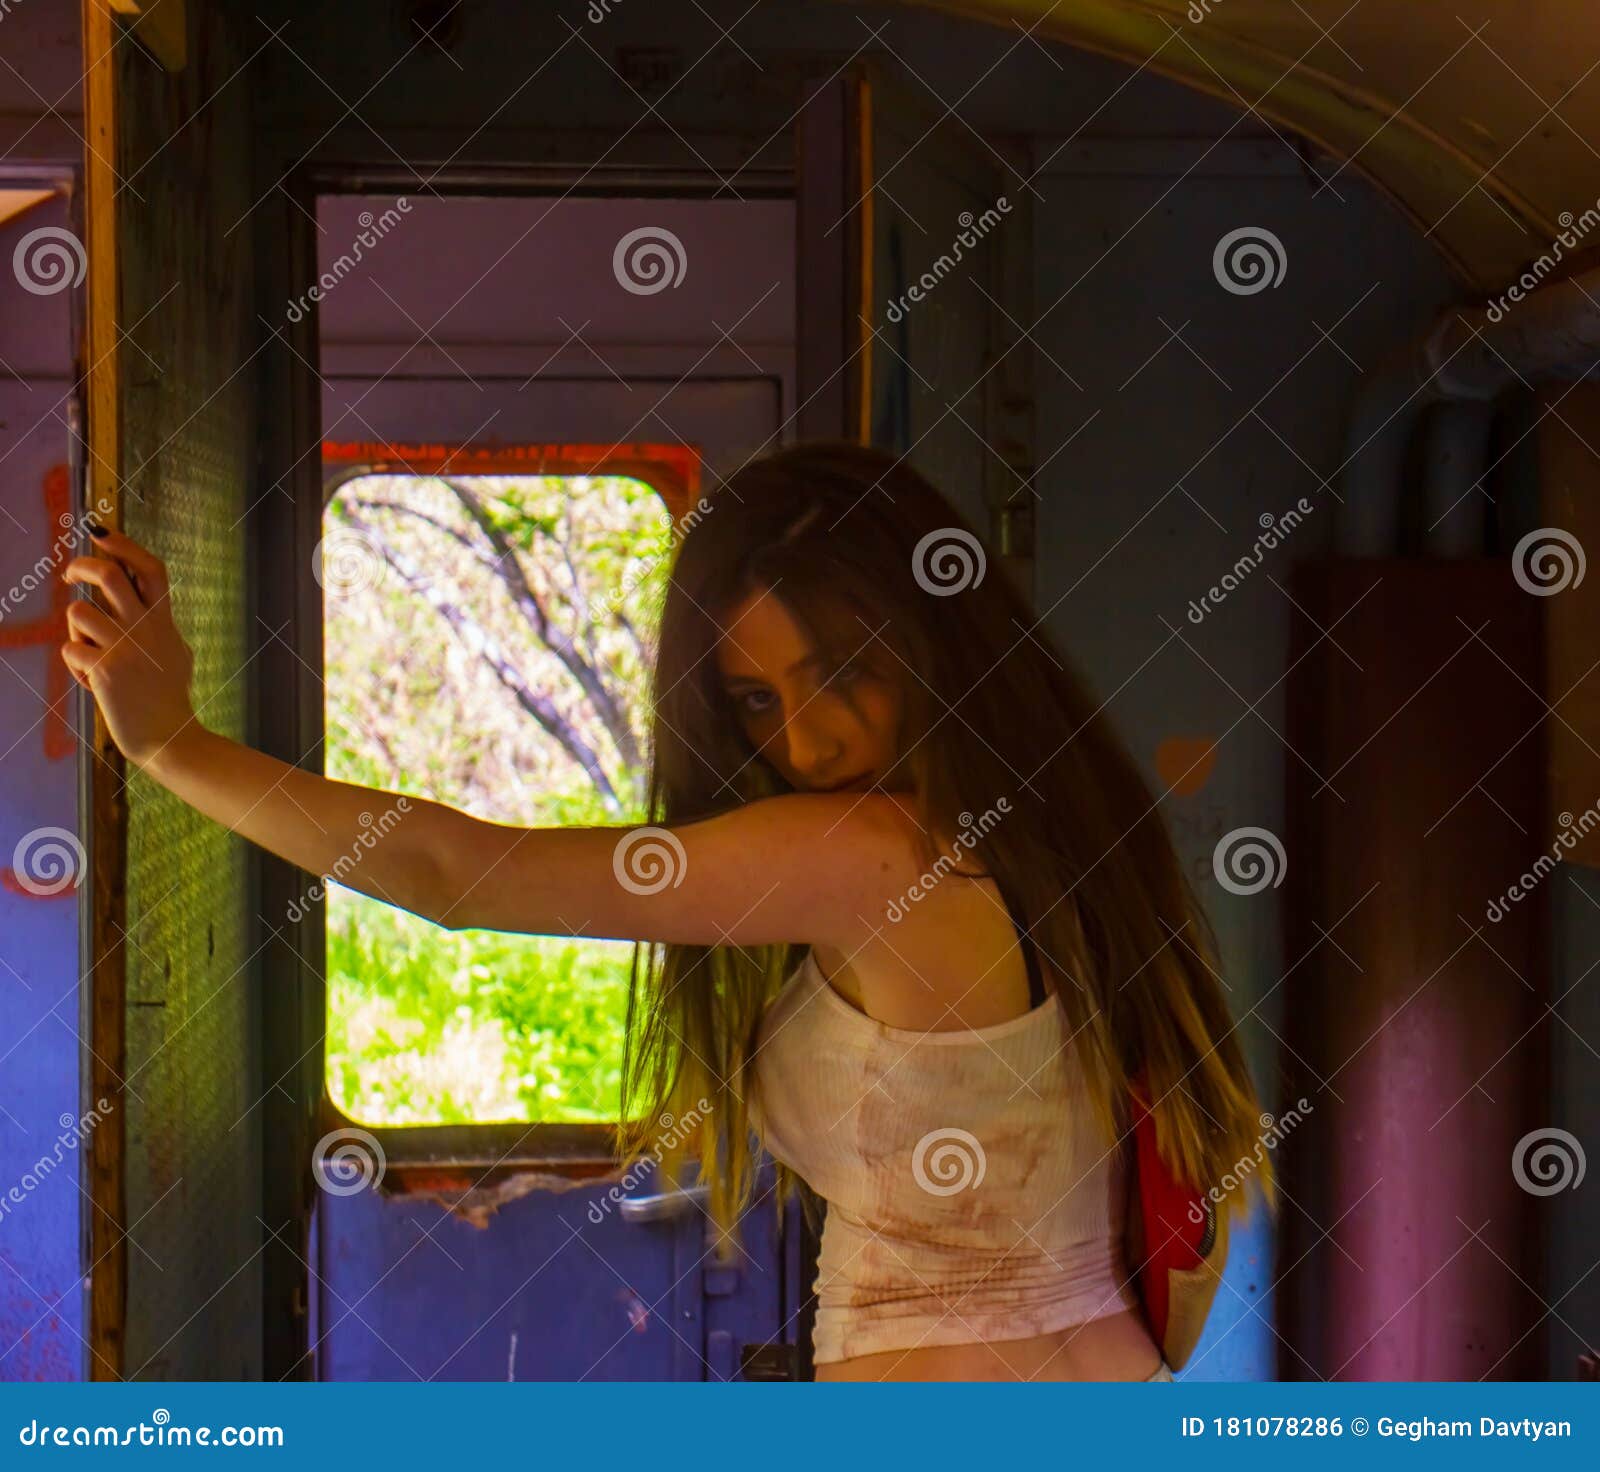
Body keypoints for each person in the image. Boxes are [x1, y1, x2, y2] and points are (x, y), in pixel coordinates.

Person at [60, 440, 1274, 1382]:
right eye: (753, 699)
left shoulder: (869, 851)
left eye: (843, 672)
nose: (805, 738)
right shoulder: (1050, 834)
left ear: (937, 634)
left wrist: (172, 743)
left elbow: (455, 874)